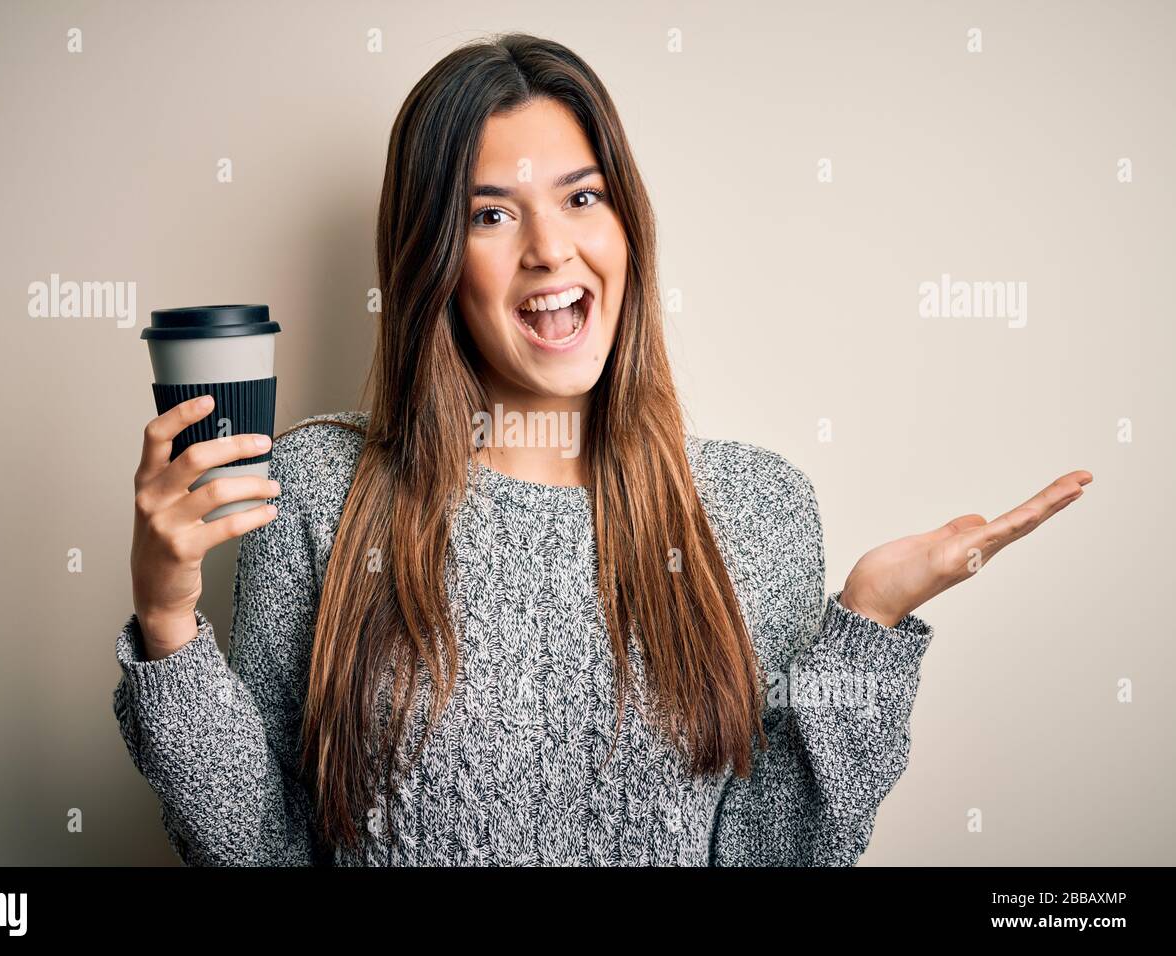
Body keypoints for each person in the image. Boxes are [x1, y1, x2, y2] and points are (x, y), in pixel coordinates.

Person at [114, 33, 1091, 866]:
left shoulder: (756, 506)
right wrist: (165, 611)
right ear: (433, 263)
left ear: (627, 225)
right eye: (491, 214)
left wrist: (868, 620)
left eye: (582, 197)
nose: (550, 248)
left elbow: (772, 853)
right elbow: (254, 846)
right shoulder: (326, 491)